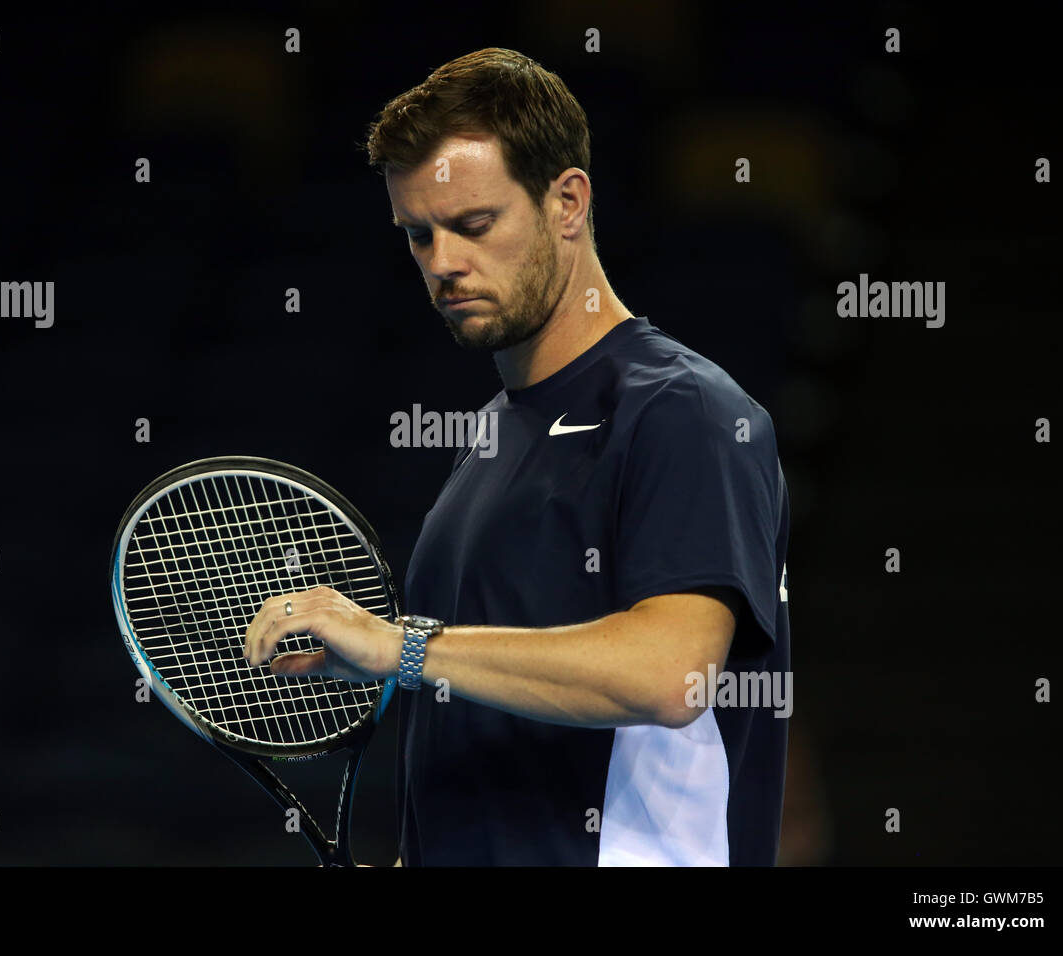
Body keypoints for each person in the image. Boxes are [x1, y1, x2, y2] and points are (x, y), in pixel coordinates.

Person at [243, 47, 791, 866]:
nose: (443, 265)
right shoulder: (492, 440)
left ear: (568, 201)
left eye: (473, 225)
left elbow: (671, 674)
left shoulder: (681, 411)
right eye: (417, 235)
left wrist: (403, 647)